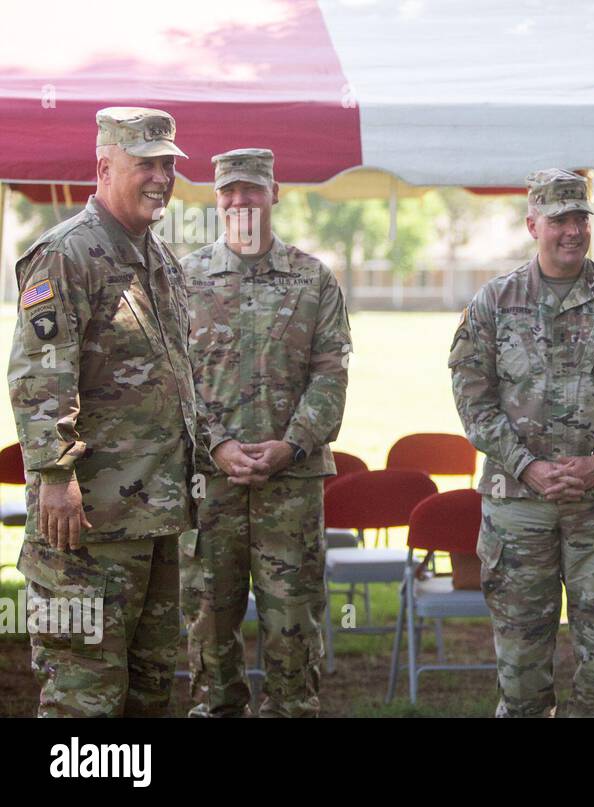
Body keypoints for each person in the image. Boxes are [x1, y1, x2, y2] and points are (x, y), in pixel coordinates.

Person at [7, 107, 227, 716]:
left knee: (149, 691)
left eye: (167, 165)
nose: (161, 177)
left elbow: (176, 379)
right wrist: (55, 478)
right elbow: (39, 375)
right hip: (87, 521)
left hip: (154, 516)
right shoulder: (66, 255)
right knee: (84, 695)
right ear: (105, 166)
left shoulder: (158, 260)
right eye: (145, 164)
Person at [449, 168, 594, 717]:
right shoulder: (495, 303)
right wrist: (525, 464)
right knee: (521, 668)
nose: (572, 231)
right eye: (559, 220)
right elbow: (472, 397)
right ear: (532, 224)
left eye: (581, 219)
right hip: (519, 509)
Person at [179, 148, 352, 717]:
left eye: (251, 189)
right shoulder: (185, 279)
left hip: (291, 486)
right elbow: (173, 381)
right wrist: (219, 445)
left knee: (293, 626)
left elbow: (331, 373)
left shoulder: (313, 279)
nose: (240, 201)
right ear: (216, 198)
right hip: (211, 486)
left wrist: (291, 444)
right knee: (208, 627)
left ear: (274, 193)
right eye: (229, 191)